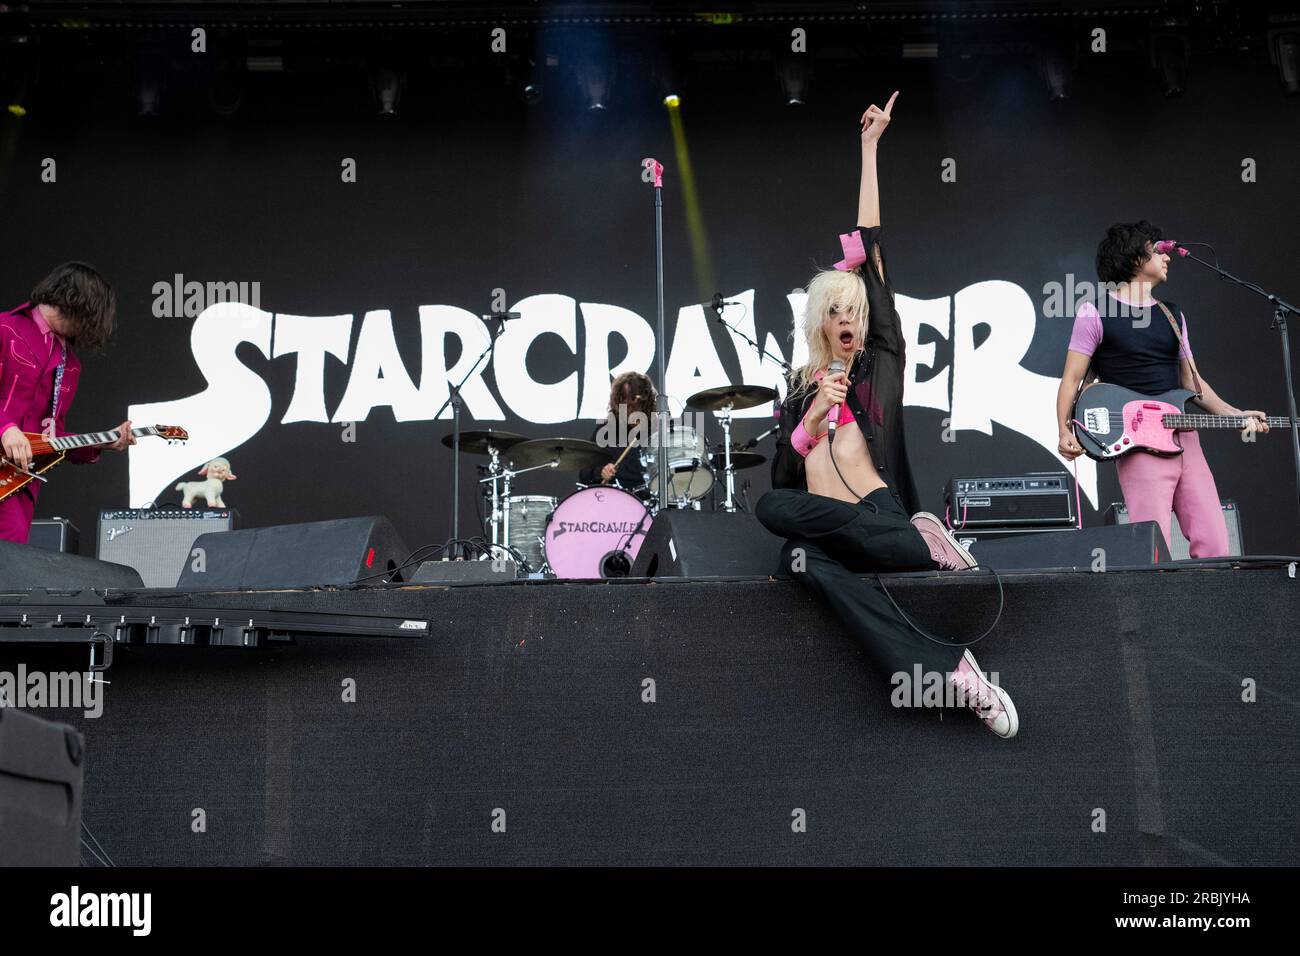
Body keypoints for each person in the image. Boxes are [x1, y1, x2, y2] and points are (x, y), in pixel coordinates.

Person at [755, 92, 1018, 739]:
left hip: (883, 525)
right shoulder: (796, 392)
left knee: (810, 545)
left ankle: (923, 539)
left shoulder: (879, 365)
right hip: (830, 537)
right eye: (836, 312)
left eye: (856, 311)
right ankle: (952, 670)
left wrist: (870, 148)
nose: (848, 319)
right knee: (784, 536)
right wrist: (813, 417)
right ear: (819, 320)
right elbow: (785, 480)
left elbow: (869, 249)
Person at [1055, 222, 1267, 557]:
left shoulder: (1172, 314)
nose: (1167, 257)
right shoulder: (1094, 312)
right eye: (1157, 249)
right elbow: (1070, 379)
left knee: (1215, 543)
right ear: (1135, 259)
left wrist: (1237, 415)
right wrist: (1064, 429)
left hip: (1185, 437)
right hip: (1140, 444)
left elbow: (1193, 384)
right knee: (1154, 550)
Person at [0, 262, 135, 544]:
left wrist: (101, 444)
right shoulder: (5, 328)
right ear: (79, 302)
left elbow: (52, 437)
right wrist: (6, 427)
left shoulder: (69, 364)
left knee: (13, 557)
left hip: (22, 479)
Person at [580, 371, 658, 495]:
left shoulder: (657, 432)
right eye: (626, 402)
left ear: (646, 402)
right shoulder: (606, 430)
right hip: (613, 502)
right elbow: (584, 473)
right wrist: (601, 472)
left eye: (637, 403)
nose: (633, 407)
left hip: (650, 503)